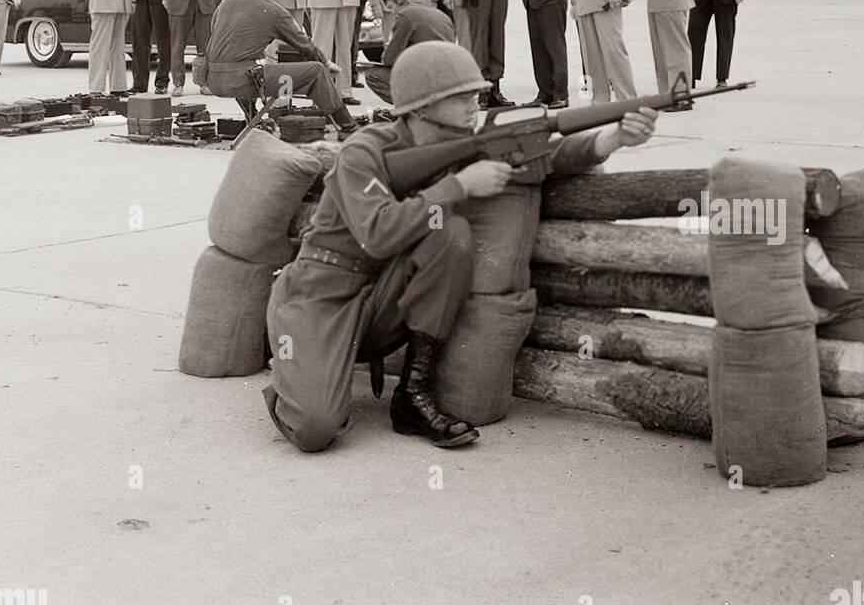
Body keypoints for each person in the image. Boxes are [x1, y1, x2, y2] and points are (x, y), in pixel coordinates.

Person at [262, 40, 663, 453]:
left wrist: (613, 138)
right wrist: (458, 186)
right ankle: (292, 369)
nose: (476, 103)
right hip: (321, 292)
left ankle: (413, 396)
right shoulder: (364, 151)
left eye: (476, 93)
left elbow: (549, 152)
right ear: (420, 107)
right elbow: (377, 233)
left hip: (382, 296)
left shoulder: (466, 141)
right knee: (314, 429)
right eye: (462, 97)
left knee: (449, 233)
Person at [201, 0, 357, 132]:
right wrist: (326, 63)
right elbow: (304, 44)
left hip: (213, 80)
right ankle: (347, 126)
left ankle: (253, 118)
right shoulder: (273, 10)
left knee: (245, 65)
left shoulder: (226, 2)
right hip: (241, 81)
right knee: (316, 71)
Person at [361, 0, 456, 107]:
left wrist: (387, 55)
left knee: (373, 75)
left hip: (426, 77)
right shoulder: (439, 14)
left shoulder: (405, 15)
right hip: (447, 77)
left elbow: (390, 58)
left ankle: (415, 107)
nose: (393, 12)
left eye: (391, 7)